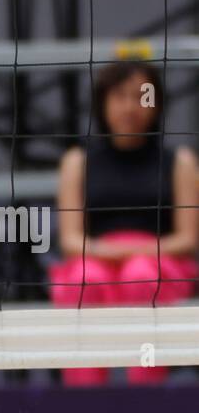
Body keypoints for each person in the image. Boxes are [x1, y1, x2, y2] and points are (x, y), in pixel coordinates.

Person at [52, 60, 199, 385]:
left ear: (156, 104)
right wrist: (116, 252)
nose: (130, 106)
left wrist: (138, 253)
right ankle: (84, 396)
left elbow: (187, 239)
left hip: (159, 264)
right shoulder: (78, 162)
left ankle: (145, 391)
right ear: (103, 102)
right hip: (96, 262)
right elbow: (71, 240)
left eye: (141, 96)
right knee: (85, 278)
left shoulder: (181, 162)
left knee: (140, 274)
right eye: (120, 96)